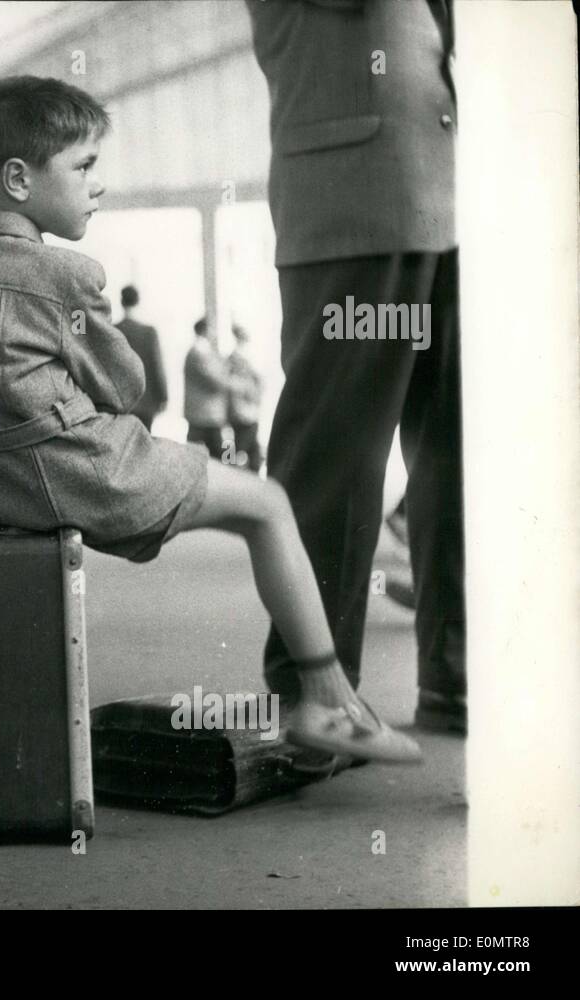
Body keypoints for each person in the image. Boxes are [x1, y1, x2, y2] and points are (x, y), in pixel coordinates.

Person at [0, 75, 420, 765]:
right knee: (267, 502)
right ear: (18, 178)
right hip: (80, 475)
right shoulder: (64, 274)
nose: (95, 185)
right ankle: (326, 696)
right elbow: (124, 385)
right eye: (82, 167)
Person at [247, 0, 465, 732]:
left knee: (459, 456)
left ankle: (457, 676)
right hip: (357, 205)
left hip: (461, 204)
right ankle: (312, 693)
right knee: (337, 453)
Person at [115, 285, 167, 431]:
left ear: (121, 302)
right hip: (146, 401)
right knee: (144, 445)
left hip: (120, 401)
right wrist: (163, 396)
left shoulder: (113, 330)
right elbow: (157, 366)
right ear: (138, 302)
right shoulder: (148, 332)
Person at [182, 317, 227, 459]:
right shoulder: (200, 352)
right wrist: (236, 384)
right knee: (223, 454)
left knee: (197, 453)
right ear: (205, 330)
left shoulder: (199, 351)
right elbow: (215, 381)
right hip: (205, 415)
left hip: (202, 413)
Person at [226, 324, 263, 474]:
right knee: (241, 445)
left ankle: (233, 469)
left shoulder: (236, 358)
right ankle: (233, 469)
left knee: (244, 445)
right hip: (243, 411)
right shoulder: (238, 358)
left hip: (243, 410)